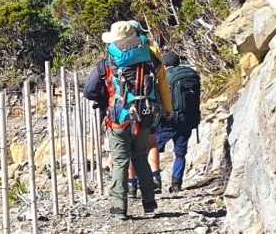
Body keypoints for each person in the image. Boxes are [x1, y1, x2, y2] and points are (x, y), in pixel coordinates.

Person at [83, 20, 173, 221]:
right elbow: (163, 85)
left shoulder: (109, 61)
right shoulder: (151, 56)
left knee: (121, 161)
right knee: (141, 157)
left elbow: (89, 90)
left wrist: (104, 98)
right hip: (145, 116)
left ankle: (119, 207)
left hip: (118, 118)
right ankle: (149, 203)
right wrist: (168, 109)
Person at [157, 51, 200, 193]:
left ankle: (154, 180)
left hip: (169, 120)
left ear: (165, 65)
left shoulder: (166, 76)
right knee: (180, 153)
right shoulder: (191, 74)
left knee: (152, 149)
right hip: (188, 119)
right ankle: (176, 184)